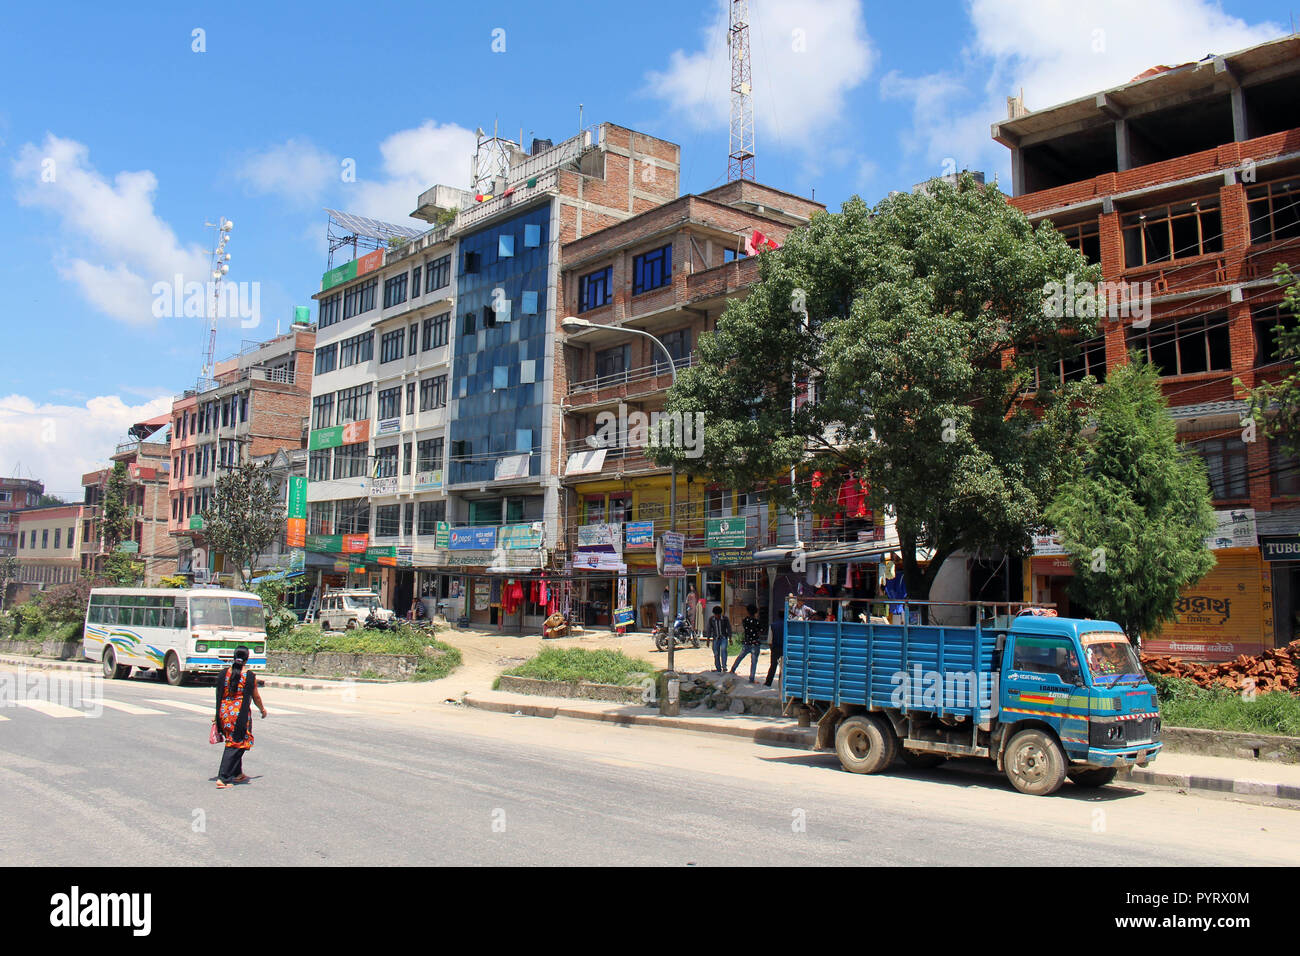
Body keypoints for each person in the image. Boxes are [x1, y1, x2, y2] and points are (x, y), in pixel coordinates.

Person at [213, 646, 266, 789]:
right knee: (236, 744)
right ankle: (223, 778)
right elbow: (256, 697)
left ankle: (237, 773)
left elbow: (219, 695)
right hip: (239, 716)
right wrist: (262, 710)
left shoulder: (224, 674)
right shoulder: (249, 676)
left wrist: (217, 715)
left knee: (236, 741)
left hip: (224, 714)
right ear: (247, 659)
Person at [730, 603, 763, 684]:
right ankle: (751, 678)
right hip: (755, 643)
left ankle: (733, 669)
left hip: (747, 642)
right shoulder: (757, 622)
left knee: (740, 656)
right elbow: (760, 631)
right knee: (754, 661)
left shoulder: (745, 620)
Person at [706, 605, 731, 672]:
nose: (717, 616)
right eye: (716, 615)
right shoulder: (711, 619)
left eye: (718, 615)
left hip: (723, 637)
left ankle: (724, 666)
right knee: (716, 654)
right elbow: (709, 629)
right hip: (715, 638)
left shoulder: (725, 619)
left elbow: (729, 628)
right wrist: (708, 639)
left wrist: (730, 638)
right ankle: (718, 668)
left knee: (723, 650)